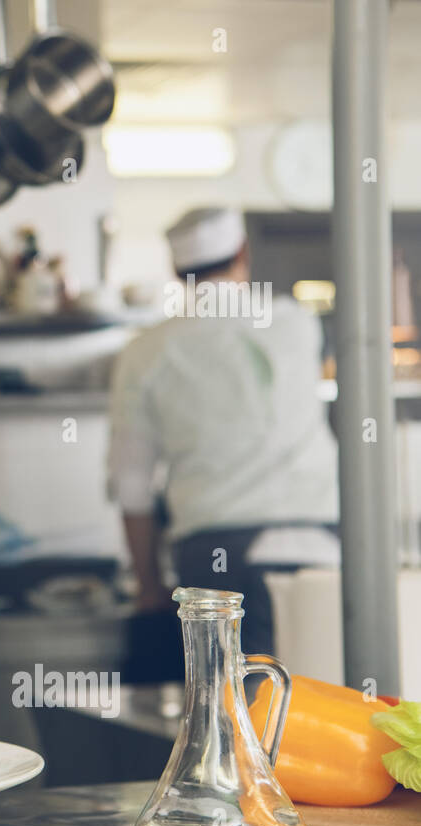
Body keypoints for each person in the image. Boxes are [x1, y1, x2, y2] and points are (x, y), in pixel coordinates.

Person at [107, 207, 339, 656]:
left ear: (177, 271)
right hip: (324, 541)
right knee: (328, 691)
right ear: (242, 252)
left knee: (231, 707)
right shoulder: (298, 323)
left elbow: (131, 485)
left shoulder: (144, 352)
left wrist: (149, 589)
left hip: (216, 551)